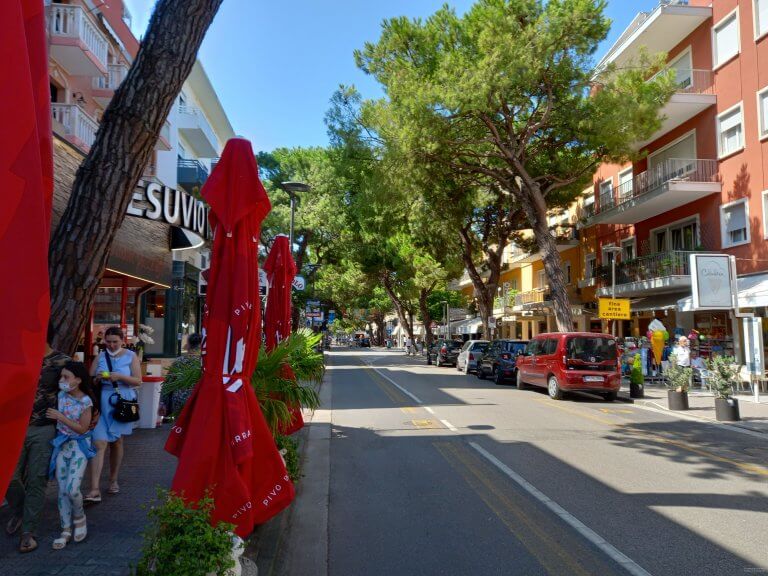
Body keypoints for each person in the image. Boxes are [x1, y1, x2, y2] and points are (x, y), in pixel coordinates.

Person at [5, 325, 70, 553]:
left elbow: (78, 392)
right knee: (8, 476)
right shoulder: (17, 360)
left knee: (36, 479)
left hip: (44, 428)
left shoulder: (63, 362)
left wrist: (67, 419)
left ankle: (28, 531)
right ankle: (20, 509)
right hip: (14, 427)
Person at [85, 327, 141, 503]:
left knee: (117, 441)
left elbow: (138, 380)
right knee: (99, 442)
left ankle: (113, 478)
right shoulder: (100, 356)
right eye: (108, 341)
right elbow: (89, 380)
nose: (111, 345)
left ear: (122, 340)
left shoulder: (131, 356)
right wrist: (98, 378)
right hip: (102, 403)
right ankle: (94, 489)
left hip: (122, 401)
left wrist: (120, 377)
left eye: (115, 342)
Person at [47, 361, 97, 549]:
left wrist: (60, 417)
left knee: (72, 488)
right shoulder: (60, 396)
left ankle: (79, 516)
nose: (62, 380)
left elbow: (82, 428)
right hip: (62, 445)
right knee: (62, 490)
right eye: (61, 376)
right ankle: (65, 529)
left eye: (66, 377)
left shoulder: (86, 402)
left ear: (78, 380)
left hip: (79, 447)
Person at [165, 332, 202, 418]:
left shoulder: (178, 361)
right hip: (198, 400)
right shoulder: (203, 362)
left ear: (188, 345)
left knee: (179, 424)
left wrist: (163, 403)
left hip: (179, 400)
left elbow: (168, 383)